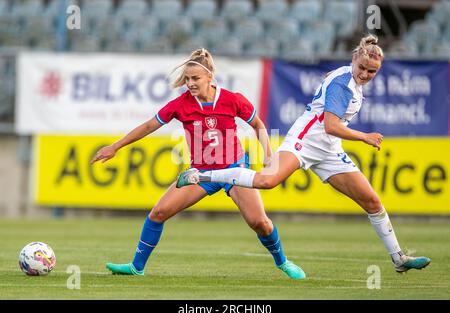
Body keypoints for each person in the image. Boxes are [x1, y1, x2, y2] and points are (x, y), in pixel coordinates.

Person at [177, 36, 431, 273]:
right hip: (304, 141)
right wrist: (365, 136)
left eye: (371, 71)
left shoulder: (349, 79)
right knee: (267, 181)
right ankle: (202, 175)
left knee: (372, 202)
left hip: (330, 149)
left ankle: (399, 259)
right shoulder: (343, 84)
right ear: (353, 60)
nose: (365, 74)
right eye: (362, 67)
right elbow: (331, 125)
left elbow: (331, 129)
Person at [90, 48, 305, 279]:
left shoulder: (232, 99)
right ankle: (136, 267)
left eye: (195, 79)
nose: (190, 84)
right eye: (187, 79)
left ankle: (283, 262)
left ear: (210, 76)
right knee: (158, 212)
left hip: (234, 169)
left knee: (260, 223)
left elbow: (258, 124)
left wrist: (268, 154)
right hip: (201, 174)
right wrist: (116, 146)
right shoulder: (180, 104)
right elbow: (148, 126)